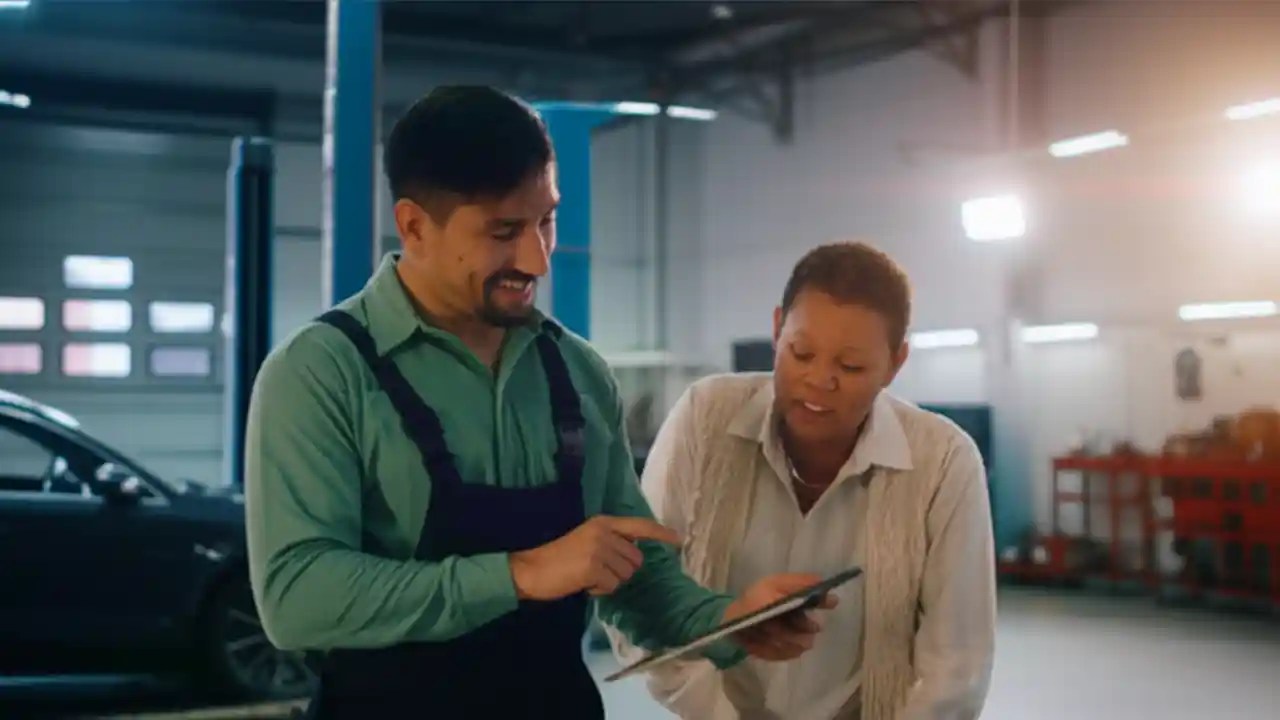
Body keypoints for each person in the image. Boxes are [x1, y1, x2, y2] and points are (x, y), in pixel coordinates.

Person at [243, 86, 834, 720]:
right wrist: (521, 573)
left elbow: (632, 572)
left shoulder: (575, 370)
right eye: (504, 230)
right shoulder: (321, 374)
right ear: (415, 225)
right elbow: (298, 598)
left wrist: (725, 620)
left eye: (546, 220)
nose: (537, 257)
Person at [608, 241, 997, 720]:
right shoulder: (704, 419)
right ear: (776, 330)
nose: (819, 380)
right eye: (801, 352)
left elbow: (957, 665)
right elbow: (641, 586)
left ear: (895, 364)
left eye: (850, 366)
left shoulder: (943, 462)